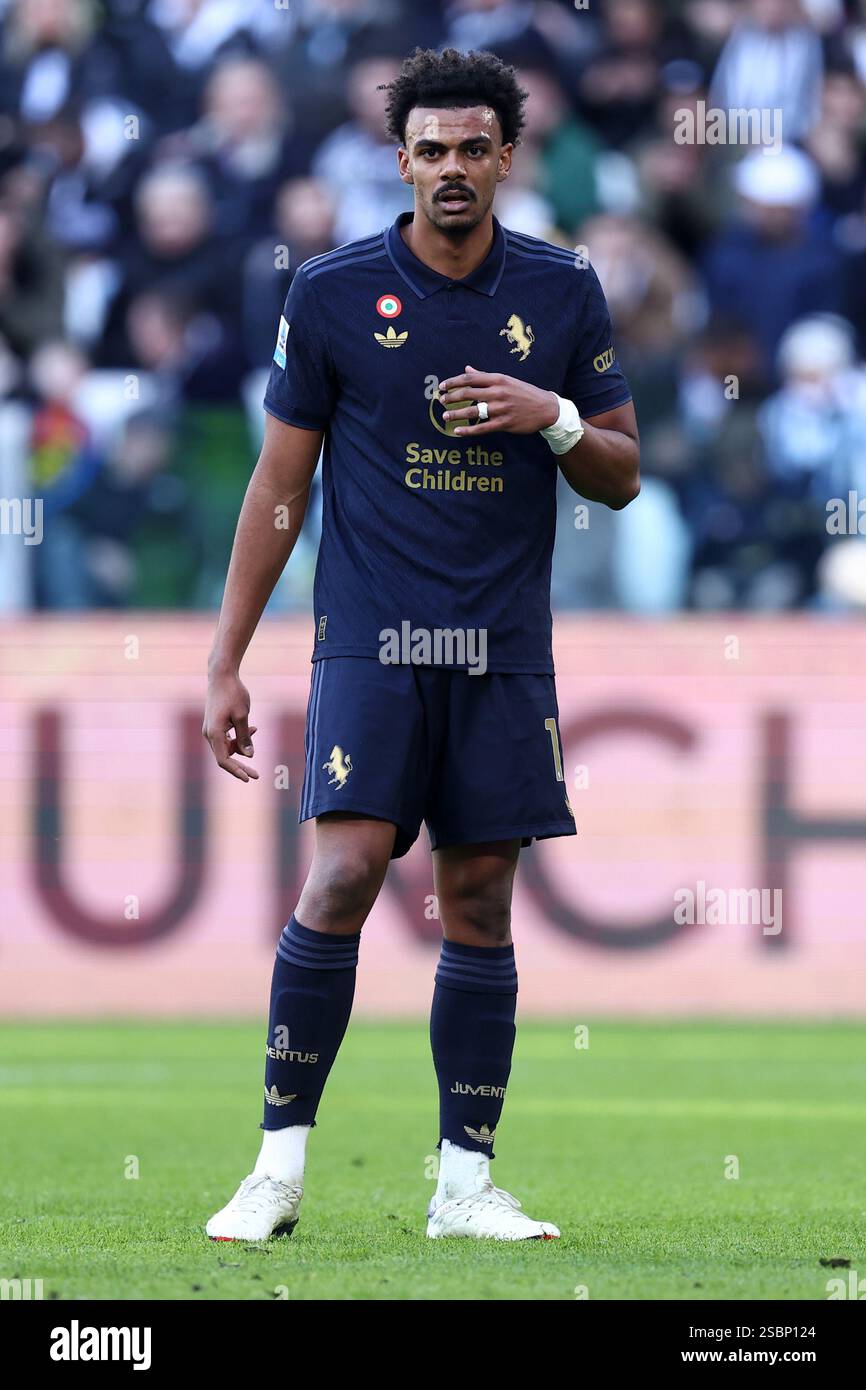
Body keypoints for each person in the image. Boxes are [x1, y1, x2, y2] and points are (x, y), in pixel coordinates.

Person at [202, 46, 639, 1244]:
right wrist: (225, 658)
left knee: (481, 902)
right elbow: (278, 487)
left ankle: (463, 1185)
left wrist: (545, 414)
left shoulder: (562, 290)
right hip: (369, 641)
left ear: (506, 157)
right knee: (340, 877)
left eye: (472, 149)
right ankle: (275, 1169)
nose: (451, 169)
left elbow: (623, 478)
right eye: (430, 151)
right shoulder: (332, 290)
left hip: (501, 645)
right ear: (400, 161)